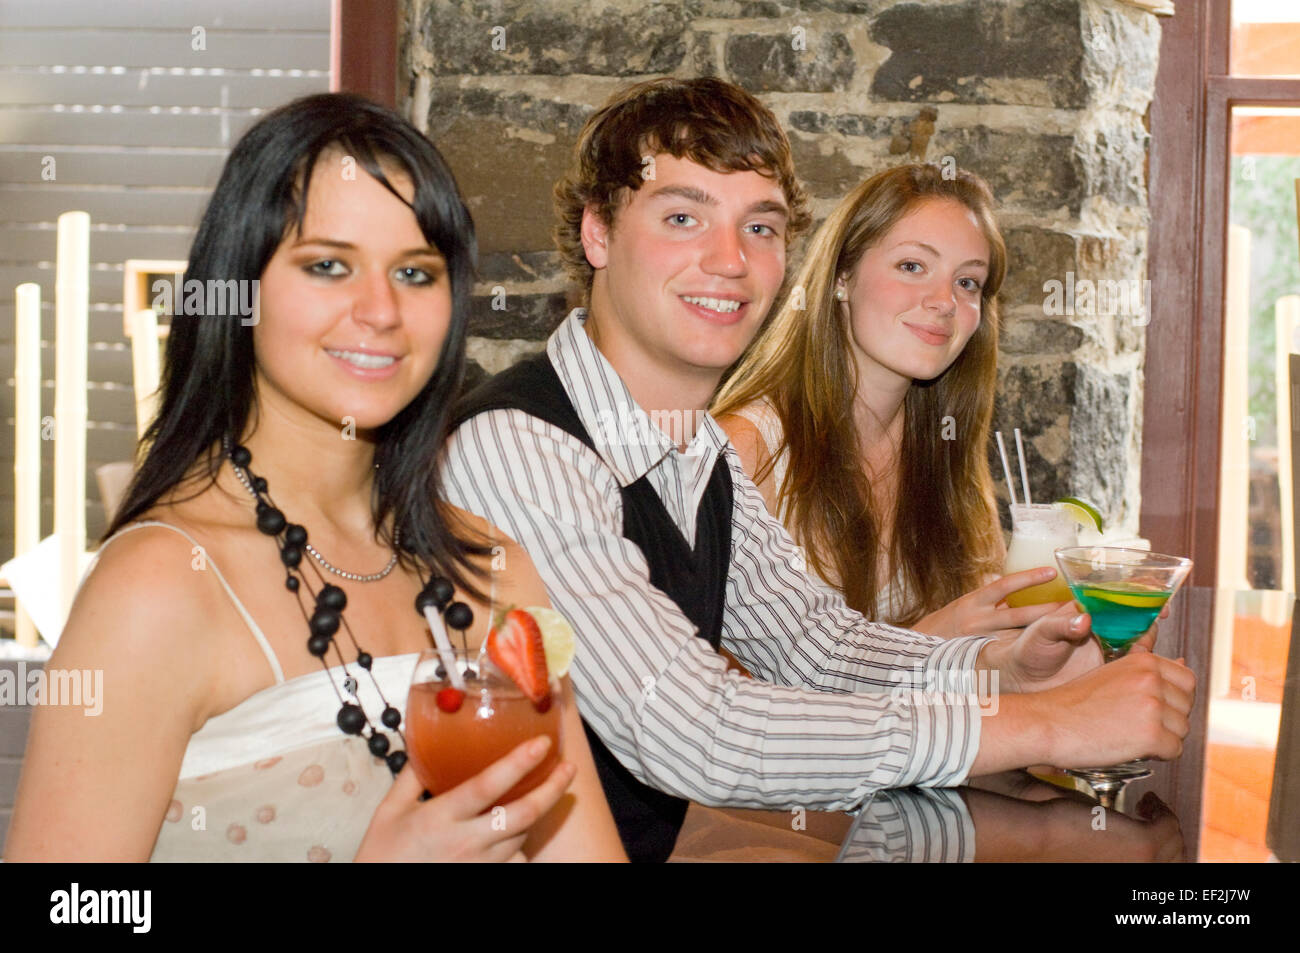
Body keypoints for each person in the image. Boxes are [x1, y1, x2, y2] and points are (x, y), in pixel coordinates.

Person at [441, 76, 1195, 863]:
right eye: (682, 217)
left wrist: (1005, 667)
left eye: (760, 226)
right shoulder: (518, 448)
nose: (729, 259)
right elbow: (696, 731)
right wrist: (1050, 725)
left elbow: (819, 647)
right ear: (598, 234)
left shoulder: (692, 447)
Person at [5, 94, 624, 863]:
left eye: (415, 272)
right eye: (328, 265)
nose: (381, 309)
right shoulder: (161, 586)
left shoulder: (499, 576)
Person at [713, 164, 1055, 638]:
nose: (944, 301)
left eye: (968, 282)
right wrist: (932, 641)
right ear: (841, 277)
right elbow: (715, 689)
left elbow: (990, 649)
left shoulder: (945, 446)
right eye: (912, 266)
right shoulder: (747, 452)